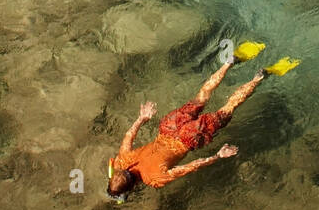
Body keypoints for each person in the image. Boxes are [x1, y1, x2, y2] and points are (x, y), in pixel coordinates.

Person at [106, 53, 296, 199]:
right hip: (169, 126)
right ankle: (229, 61)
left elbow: (191, 166)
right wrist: (142, 117)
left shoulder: (154, 179)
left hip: (188, 138)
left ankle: (258, 77)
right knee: (202, 94)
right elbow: (129, 135)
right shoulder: (121, 161)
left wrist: (217, 156)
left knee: (228, 108)